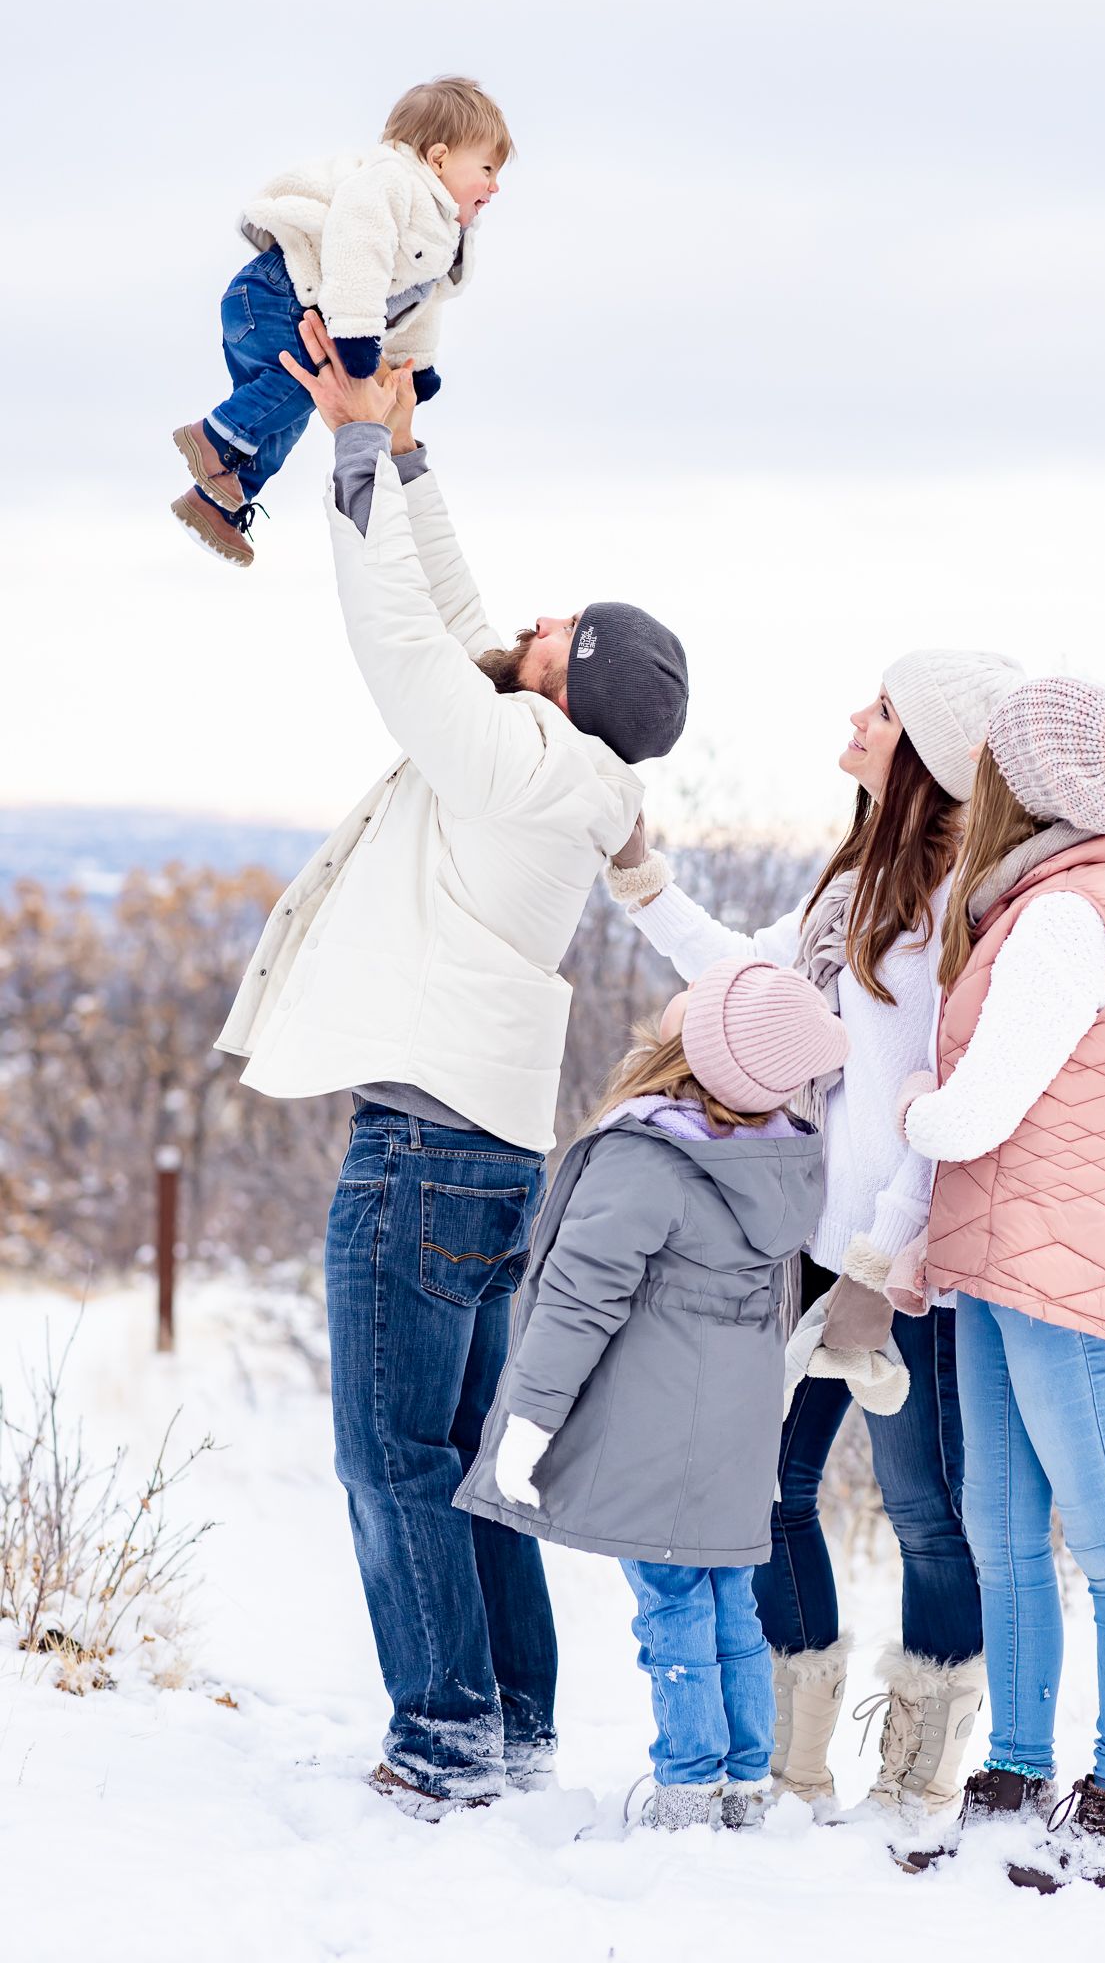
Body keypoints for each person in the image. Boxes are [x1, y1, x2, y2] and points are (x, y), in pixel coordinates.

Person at [214, 321, 689, 1817]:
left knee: (387, 1456)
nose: (536, 625)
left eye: (560, 638)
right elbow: (468, 618)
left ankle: (441, 1741)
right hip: (478, 1156)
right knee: (472, 1459)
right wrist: (405, 450)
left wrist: (351, 455)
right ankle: (513, 1722)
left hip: (424, 1153)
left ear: (568, 691)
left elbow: (406, 649)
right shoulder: (557, 762)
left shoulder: (523, 762)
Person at [608, 649, 1022, 1838]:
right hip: (799, 1245)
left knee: (926, 1511)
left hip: (903, 1263)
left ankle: (917, 1769)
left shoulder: (960, 906)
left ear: (931, 753)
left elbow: (939, 1099)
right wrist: (642, 882)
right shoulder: (855, 884)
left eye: (880, 710)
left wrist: (882, 1263)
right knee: (763, 1490)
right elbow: (752, 978)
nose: (854, 717)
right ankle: (793, 1755)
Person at [455, 957, 848, 1831]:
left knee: (672, 1608)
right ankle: (746, 1782)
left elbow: (573, 1305)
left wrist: (525, 1425)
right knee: (729, 1603)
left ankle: (686, 1789)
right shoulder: (784, 1160)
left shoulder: (650, 1160)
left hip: (660, 1432)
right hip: (741, 1433)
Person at [900, 676, 1105, 1891]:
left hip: (1055, 1279)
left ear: (1026, 784)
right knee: (1002, 1535)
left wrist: (905, 1109)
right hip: (999, 1268)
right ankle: (1014, 1775)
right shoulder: (1035, 903)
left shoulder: (1067, 916)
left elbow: (974, 1109)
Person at [172, 77, 510, 567]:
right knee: (306, 386)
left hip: (289, 309)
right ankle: (213, 436)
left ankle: (215, 501)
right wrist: (355, 334)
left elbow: (417, 302)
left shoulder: (446, 233)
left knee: (287, 419)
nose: (495, 186)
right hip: (276, 294)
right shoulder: (393, 182)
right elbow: (358, 249)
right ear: (438, 158)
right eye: (486, 169)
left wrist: (412, 366)